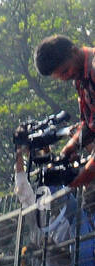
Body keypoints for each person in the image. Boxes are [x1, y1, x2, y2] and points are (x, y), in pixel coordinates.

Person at [35, 35, 95, 189]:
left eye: (65, 71)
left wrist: (86, 173)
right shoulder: (81, 80)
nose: (66, 77)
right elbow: (89, 123)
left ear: (74, 51)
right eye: (60, 76)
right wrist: (71, 146)